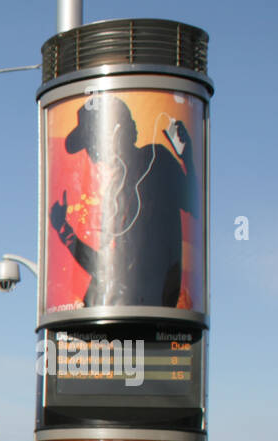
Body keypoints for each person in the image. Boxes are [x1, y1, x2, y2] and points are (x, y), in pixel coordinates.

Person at [50, 92, 198, 309]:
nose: (91, 154)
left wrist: (64, 230)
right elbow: (107, 268)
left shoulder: (152, 163)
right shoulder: (122, 182)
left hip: (139, 311)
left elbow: (109, 270)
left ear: (115, 132)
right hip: (129, 310)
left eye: (92, 142)